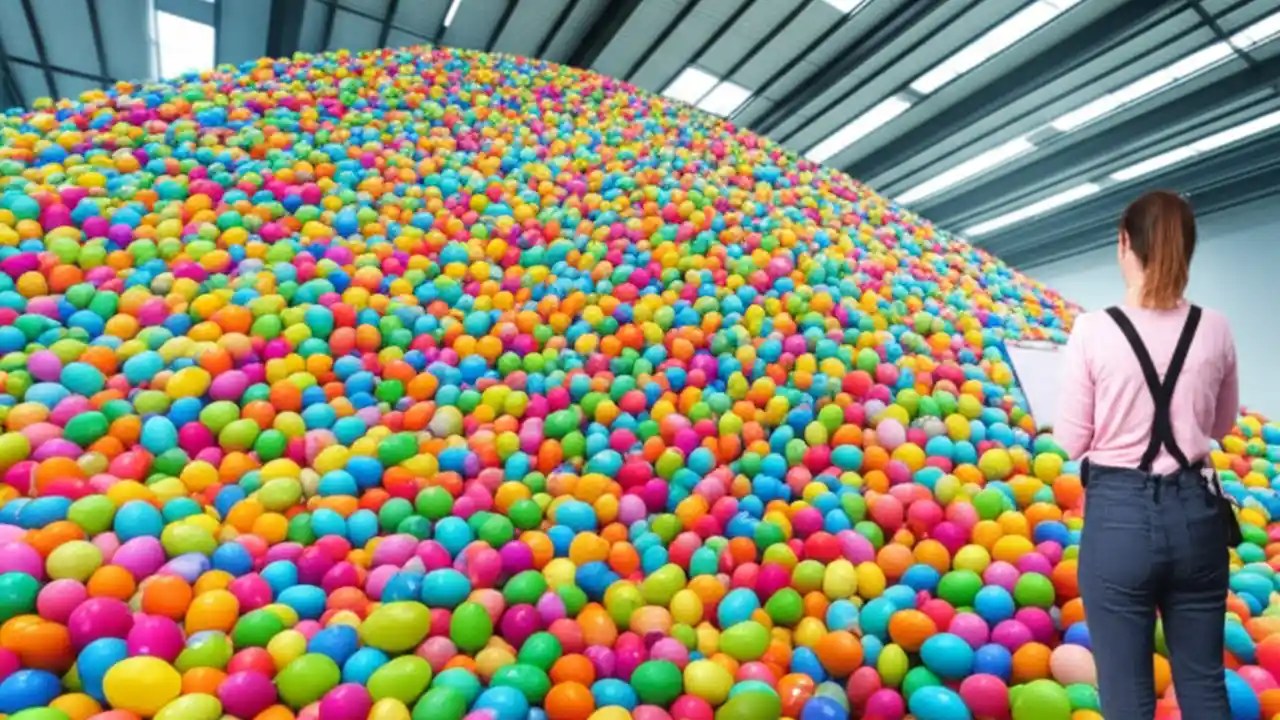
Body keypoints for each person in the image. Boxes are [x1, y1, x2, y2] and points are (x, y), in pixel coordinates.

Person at [1054, 189, 1239, 719]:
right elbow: (1220, 426)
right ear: (1187, 249)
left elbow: (1070, 441)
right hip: (1197, 517)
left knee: (1127, 694)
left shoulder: (1092, 330)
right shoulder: (1215, 327)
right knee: (1204, 686)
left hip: (1119, 518)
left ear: (1124, 243)